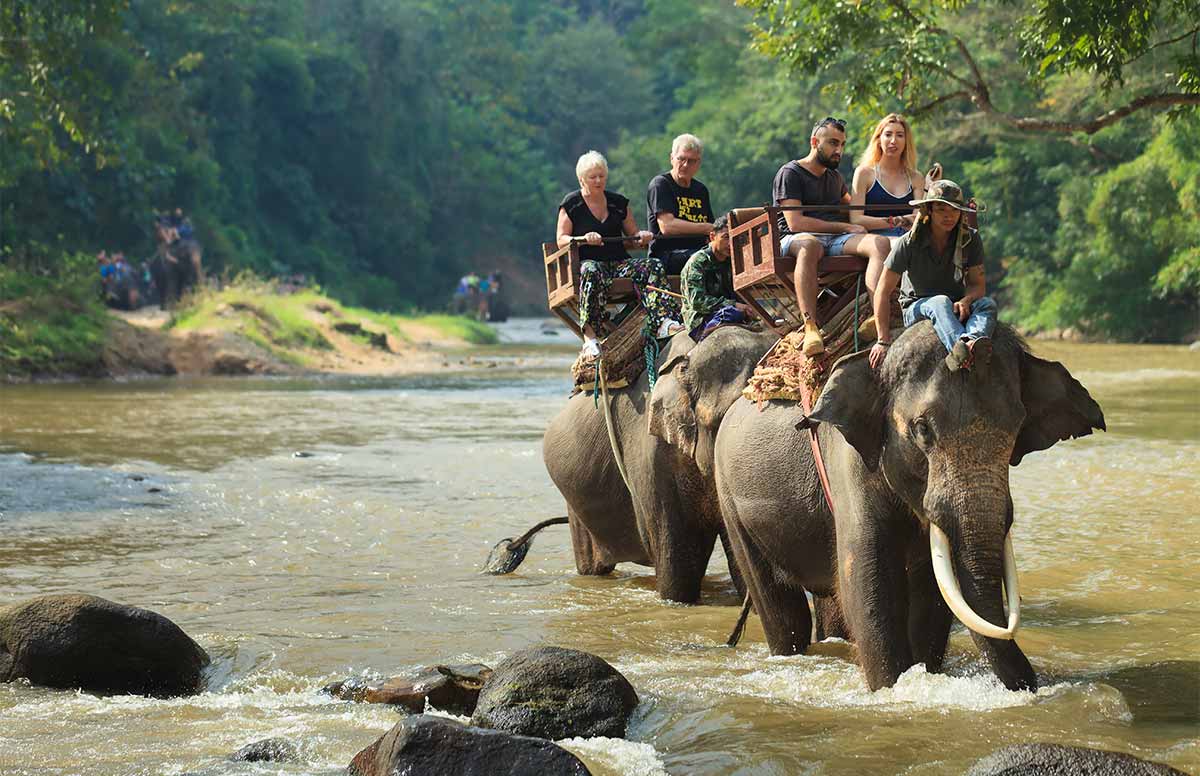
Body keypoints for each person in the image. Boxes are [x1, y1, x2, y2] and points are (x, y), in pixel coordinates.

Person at [773, 117, 891, 356]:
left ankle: (874, 313)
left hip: (833, 239)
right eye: (833, 143)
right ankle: (810, 326)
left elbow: (855, 209)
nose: (839, 150)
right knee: (810, 246)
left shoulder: (834, 178)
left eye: (843, 144)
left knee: (879, 243)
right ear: (815, 141)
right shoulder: (790, 173)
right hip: (796, 239)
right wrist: (844, 228)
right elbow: (795, 223)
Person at [557, 150, 683, 358]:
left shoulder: (617, 203)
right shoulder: (572, 204)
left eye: (602, 176)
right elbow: (561, 238)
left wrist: (641, 236)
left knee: (653, 266)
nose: (598, 180)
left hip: (618, 262)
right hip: (590, 264)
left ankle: (664, 321)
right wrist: (582, 239)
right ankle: (590, 337)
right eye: (593, 177)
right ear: (582, 179)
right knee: (590, 270)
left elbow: (633, 234)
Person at [869, 179, 995, 372]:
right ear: (929, 211)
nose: (949, 216)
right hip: (917, 307)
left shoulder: (971, 238)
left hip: (955, 304)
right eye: (941, 210)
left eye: (954, 210)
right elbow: (882, 291)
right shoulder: (908, 243)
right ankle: (959, 350)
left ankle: (971, 341)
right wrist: (882, 341)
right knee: (939, 301)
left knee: (987, 304)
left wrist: (967, 300)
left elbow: (978, 285)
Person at [850, 114, 941, 239]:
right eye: (888, 135)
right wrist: (898, 221)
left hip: (908, 239)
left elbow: (917, 219)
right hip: (875, 241)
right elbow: (856, 219)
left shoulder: (916, 178)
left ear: (906, 141)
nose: (893, 141)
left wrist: (929, 187)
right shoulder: (864, 173)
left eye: (899, 135)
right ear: (878, 140)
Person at [646, 134, 715, 275]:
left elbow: (712, 228)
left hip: (699, 252)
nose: (685, 165)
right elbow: (667, 226)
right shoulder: (661, 184)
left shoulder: (701, 190)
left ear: (698, 163)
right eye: (681, 159)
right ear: (672, 158)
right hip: (667, 256)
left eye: (691, 161)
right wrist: (705, 228)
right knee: (705, 259)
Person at [681, 213, 752, 341]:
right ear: (712, 236)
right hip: (701, 319)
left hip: (727, 310)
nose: (731, 244)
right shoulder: (697, 262)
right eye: (726, 238)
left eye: (734, 238)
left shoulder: (732, 261)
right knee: (731, 313)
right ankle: (705, 336)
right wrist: (734, 305)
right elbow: (697, 302)